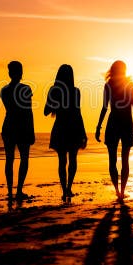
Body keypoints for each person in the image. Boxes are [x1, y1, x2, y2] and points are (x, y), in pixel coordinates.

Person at [95, 60, 133, 201]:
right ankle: (121, 191)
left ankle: (117, 191)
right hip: (126, 122)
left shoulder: (109, 85)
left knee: (112, 160)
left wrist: (98, 127)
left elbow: (104, 108)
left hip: (114, 122)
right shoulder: (130, 85)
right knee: (125, 160)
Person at [44, 64, 87, 202]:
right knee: (73, 159)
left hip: (61, 127)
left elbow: (46, 111)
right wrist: (84, 132)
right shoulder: (76, 91)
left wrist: (56, 103)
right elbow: (78, 112)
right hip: (74, 127)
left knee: (62, 161)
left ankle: (64, 190)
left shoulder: (54, 90)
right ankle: (68, 188)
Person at [0, 61, 35, 201]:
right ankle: (19, 190)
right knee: (24, 158)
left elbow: (9, 109)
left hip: (8, 126)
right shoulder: (25, 89)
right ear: (21, 73)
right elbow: (28, 111)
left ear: (9, 73)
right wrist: (31, 131)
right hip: (22, 127)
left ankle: (10, 191)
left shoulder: (4, 90)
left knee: (9, 159)